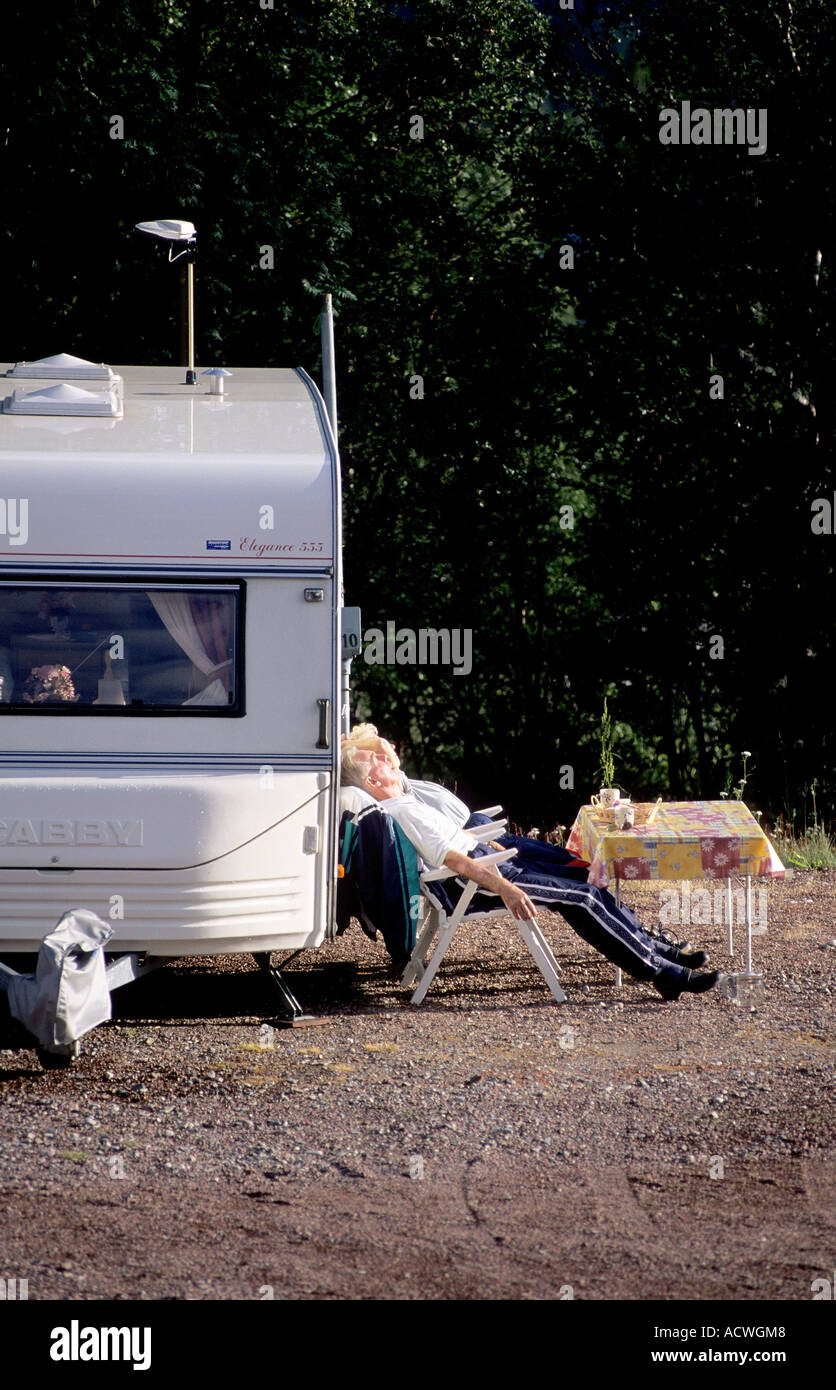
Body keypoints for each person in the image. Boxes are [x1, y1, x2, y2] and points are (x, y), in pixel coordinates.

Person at [340, 740, 722, 1002]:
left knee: (580, 883)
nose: (383, 759)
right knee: (584, 896)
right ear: (373, 781)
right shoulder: (405, 812)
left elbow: (458, 841)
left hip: (489, 861)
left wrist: (493, 847)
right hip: (477, 882)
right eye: (373, 761)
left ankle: (656, 952)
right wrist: (505, 887)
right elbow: (456, 861)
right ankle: (661, 973)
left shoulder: (405, 800)